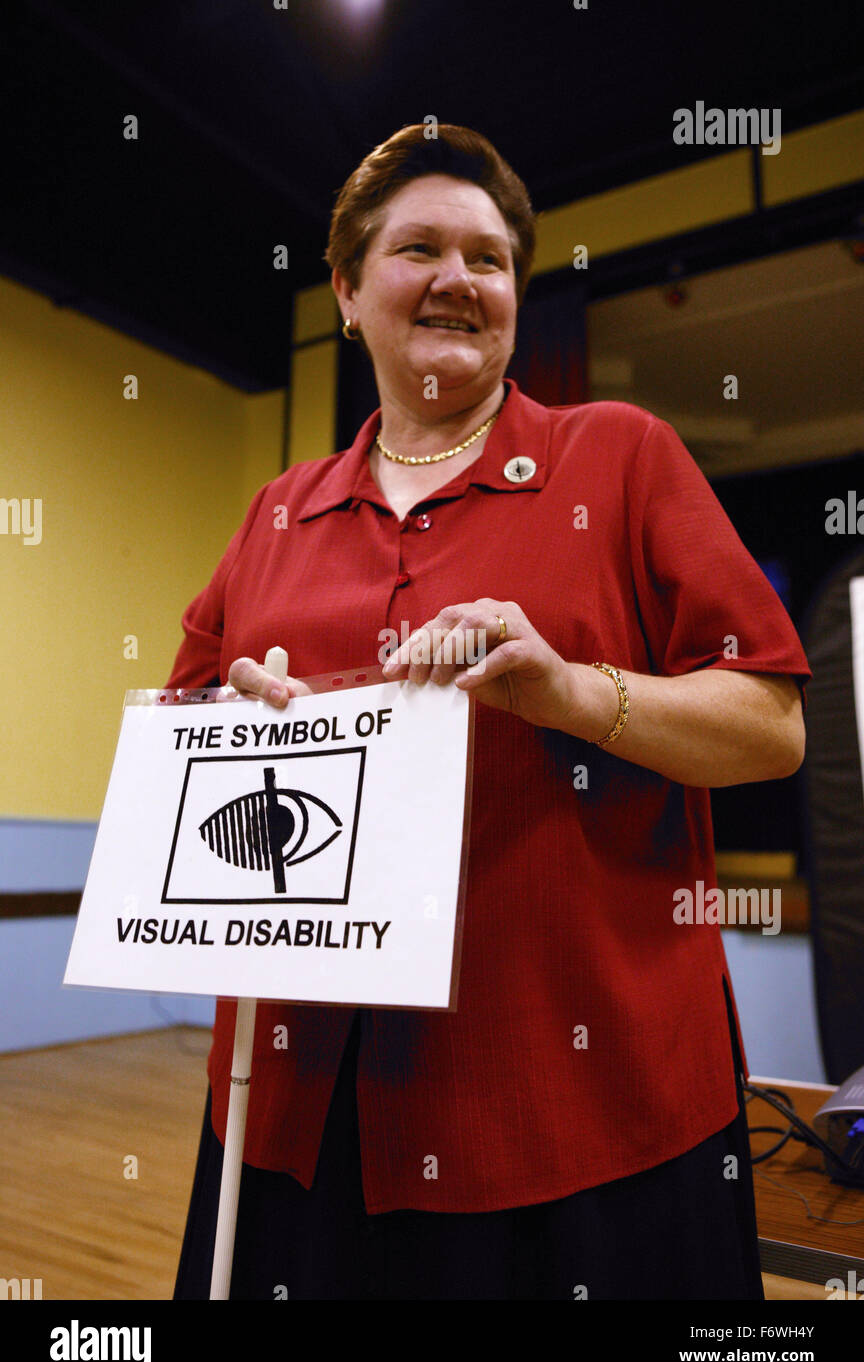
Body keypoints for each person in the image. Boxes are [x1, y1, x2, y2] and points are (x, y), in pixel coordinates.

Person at [170, 124, 810, 1301]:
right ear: (347, 291)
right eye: (419, 249)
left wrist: (572, 693)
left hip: (583, 1121)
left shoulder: (618, 457)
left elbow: (773, 727)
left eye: (491, 258)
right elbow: (181, 737)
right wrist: (235, 727)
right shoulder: (275, 513)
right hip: (300, 1115)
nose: (459, 279)